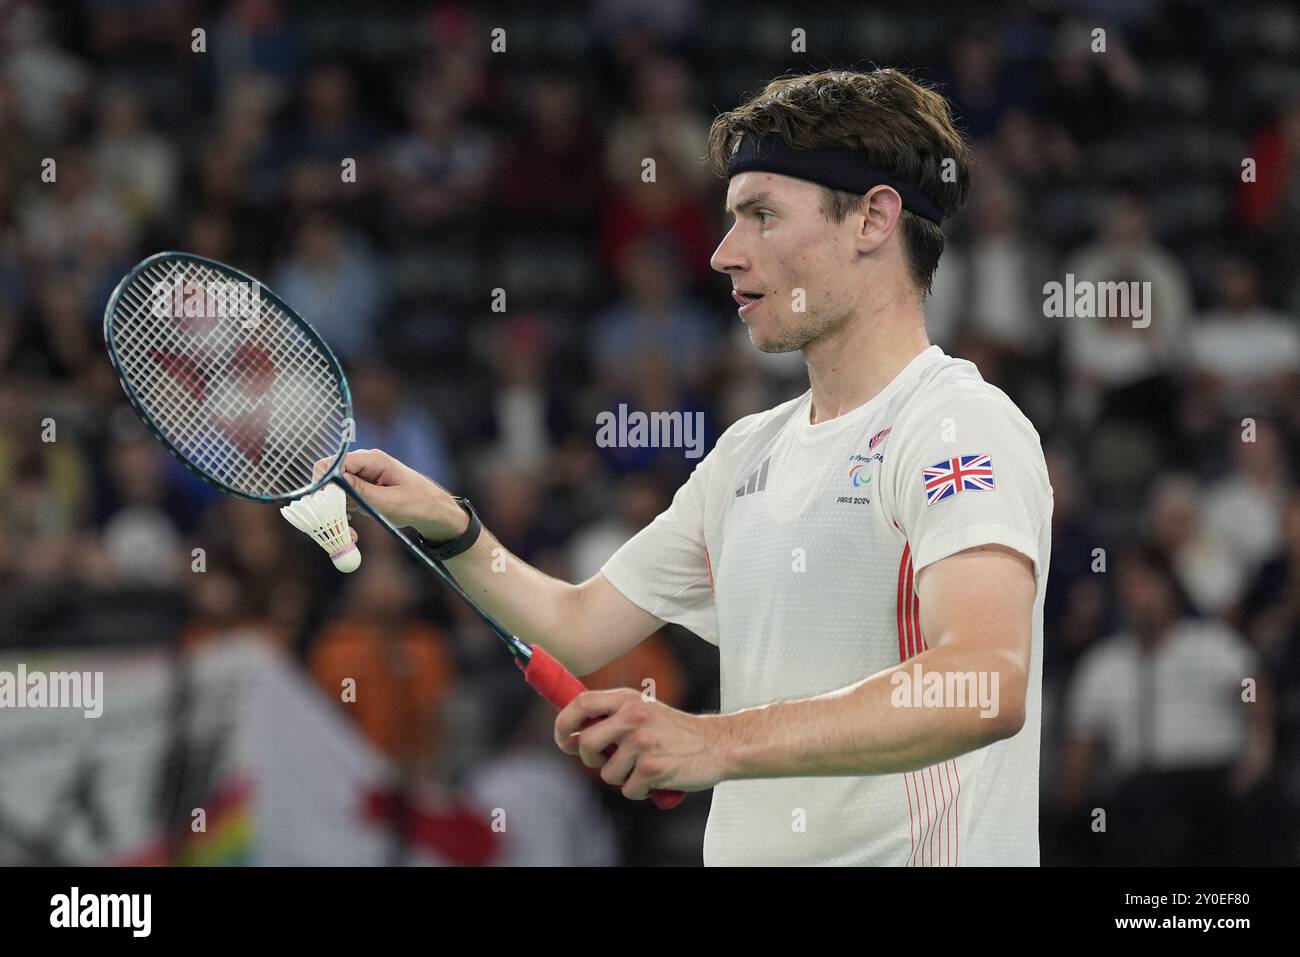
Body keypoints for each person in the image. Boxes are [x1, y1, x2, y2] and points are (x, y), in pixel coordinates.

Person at [321, 69, 1053, 866]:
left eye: (761, 216)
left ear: (873, 218)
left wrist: (714, 742)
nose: (721, 253)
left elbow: (983, 682)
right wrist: (452, 527)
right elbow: (576, 624)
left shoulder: (952, 426)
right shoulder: (746, 453)